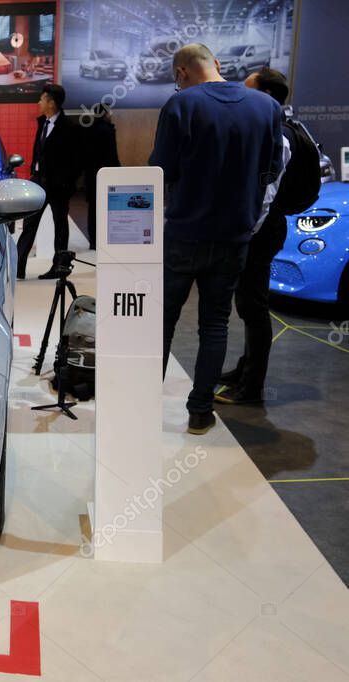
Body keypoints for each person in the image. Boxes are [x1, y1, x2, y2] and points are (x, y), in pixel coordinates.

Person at [150, 43, 284, 434]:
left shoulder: (181, 106)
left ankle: (144, 407)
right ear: (218, 64)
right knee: (215, 324)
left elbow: (160, 170)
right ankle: (200, 412)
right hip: (234, 236)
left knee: (163, 323)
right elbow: (272, 168)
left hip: (183, 233)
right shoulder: (267, 108)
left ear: (181, 73)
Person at [216, 68, 321, 405]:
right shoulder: (288, 126)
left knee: (253, 306)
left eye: (249, 91)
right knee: (250, 303)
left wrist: (245, 231)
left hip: (262, 228)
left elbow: (266, 191)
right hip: (266, 226)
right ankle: (245, 370)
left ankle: (251, 387)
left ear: (266, 95)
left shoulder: (279, 133)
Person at [16, 83, 80, 279]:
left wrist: (67, 184)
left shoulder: (69, 128)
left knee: (60, 225)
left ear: (51, 103)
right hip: (39, 183)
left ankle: (58, 267)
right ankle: (18, 267)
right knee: (29, 225)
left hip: (59, 187)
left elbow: (76, 160)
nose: (38, 103)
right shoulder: (42, 123)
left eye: (42, 99)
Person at [81, 103, 120, 250]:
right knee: (106, 209)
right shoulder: (108, 130)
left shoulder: (88, 130)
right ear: (105, 114)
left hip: (91, 176)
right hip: (106, 176)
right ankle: (104, 239)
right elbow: (112, 156)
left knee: (93, 209)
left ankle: (93, 240)